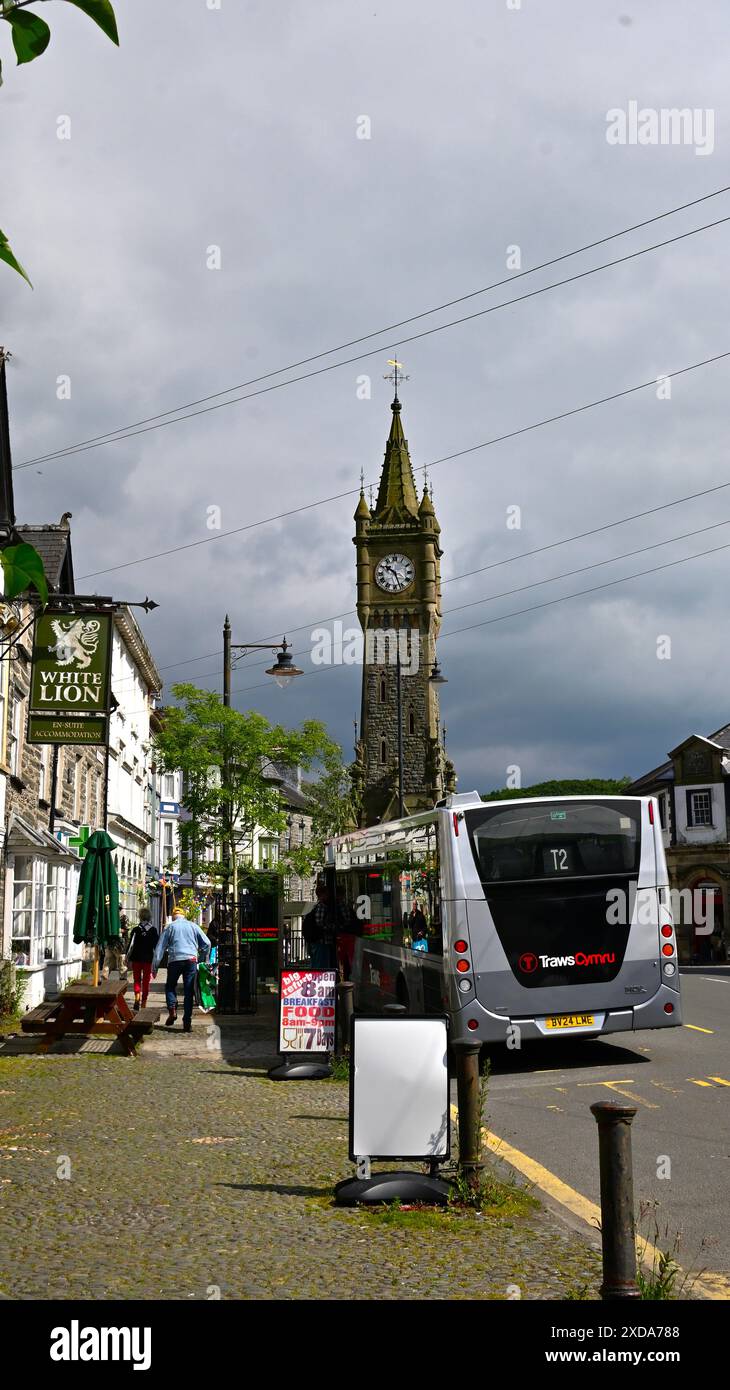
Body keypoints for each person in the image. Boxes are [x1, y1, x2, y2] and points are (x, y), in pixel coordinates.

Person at [152, 907, 210, 1033]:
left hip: (174, 960)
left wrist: (155, 966)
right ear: (184, 916)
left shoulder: (169, 927)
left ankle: (172, 1009)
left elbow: (159, 949)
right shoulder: (193, 926)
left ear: (173, 917)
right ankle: (187, 1022)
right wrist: (201, 959)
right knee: (189, 991)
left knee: (170, 986)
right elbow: (207, 943)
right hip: (191, 960)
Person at [125, 907, 159, 1013]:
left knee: (136, 979)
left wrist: (127, 957)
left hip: (136, 958)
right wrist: (157, 960)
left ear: (140, 917)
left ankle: (137, 998)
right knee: (146, 982)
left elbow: (131, 945)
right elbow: (156, 946)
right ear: (149, 917)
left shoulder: (135, 930)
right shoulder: (153, 930)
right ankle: (144, 1003)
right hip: (148, 959)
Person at [302, 883, 336, 971]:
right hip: (321, 941)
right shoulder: (322, 907)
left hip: (317, 941)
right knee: (322, 965)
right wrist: (332, 927)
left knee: (316, 964)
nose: (328, 896)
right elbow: (320, 923)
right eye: (327, 894)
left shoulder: (316, 906)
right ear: (322, 895)